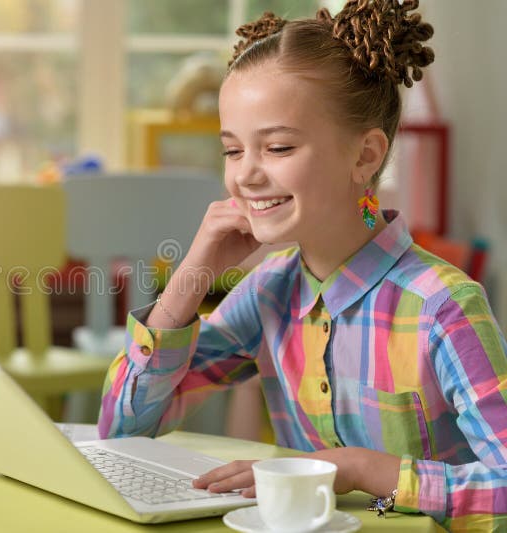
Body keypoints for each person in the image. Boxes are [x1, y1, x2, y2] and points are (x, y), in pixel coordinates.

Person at [97, 1, 507, 530]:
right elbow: (122, 427)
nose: (246, 175)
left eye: (278, 147)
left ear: (364, 156)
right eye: (231, 151)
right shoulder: (269, 292)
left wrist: (360, 469)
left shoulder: (443, 307)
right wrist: (191, 275)